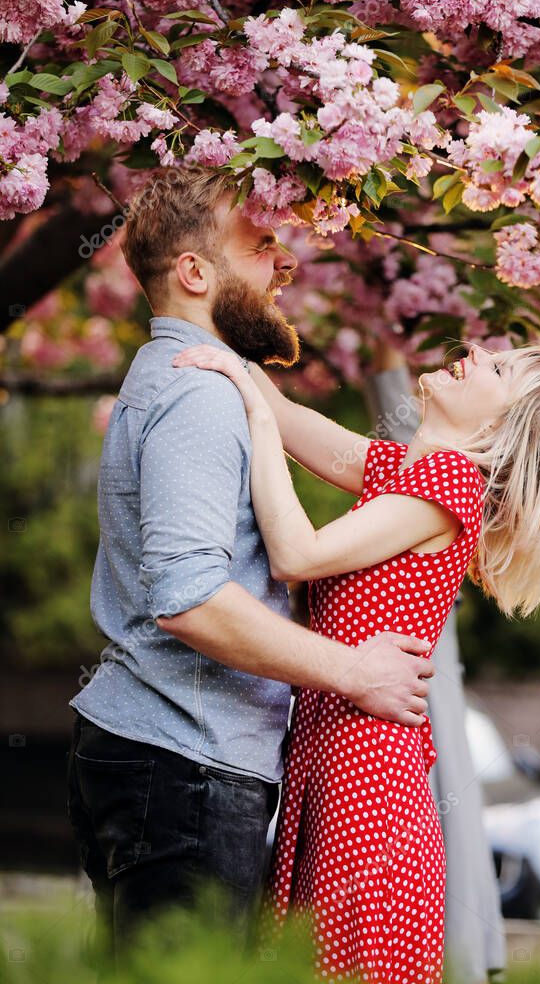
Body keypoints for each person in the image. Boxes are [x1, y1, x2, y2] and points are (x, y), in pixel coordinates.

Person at [65, 167, 435, 961]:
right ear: (195, 273)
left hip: (166, 757)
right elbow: (191, 599)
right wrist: (354, 671)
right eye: (262, 243)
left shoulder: (197, 378)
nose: (286, 261)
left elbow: (342, 453)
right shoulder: (198, 396)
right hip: (183, 759)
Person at [171, 335, 540, 984]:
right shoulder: (404, 470)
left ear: (501, 426)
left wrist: (254, 416)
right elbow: (291, 417)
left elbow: (297, 555)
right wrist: (216, 343)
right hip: (344, 768)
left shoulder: (449, 481)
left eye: (499, 368)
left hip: (366, 784)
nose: (476, 350)